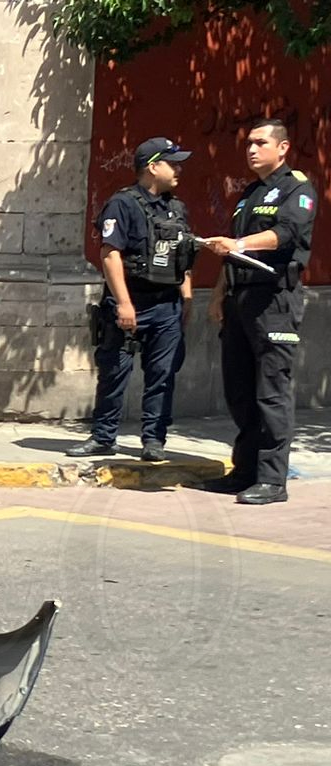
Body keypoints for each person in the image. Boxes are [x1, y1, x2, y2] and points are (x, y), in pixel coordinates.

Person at [198, 118, 318, 504]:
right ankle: (245, 470)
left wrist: (240, 242)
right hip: (239, 299)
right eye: (248, 143)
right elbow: (232, 253)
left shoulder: (297, 190)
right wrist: (219, 294)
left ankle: (272, 479)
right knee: (239, 391)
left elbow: (285, 235)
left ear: (282, 148)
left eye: (260, 143)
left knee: (271, 392)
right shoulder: (249, 194)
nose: (251, 149)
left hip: (273, 301)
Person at [66, 137, 195, 463]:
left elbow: (183, 255)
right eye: (172, 162)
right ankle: (103, 437)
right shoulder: (121, 205)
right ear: (153, 167)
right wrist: (124, 304)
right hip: (130, 302)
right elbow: (110, 255)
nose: (178, 168)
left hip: (167, 304)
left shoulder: (175, 207)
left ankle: (154, 441)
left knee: (162, 376)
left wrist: (187, 297)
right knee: (114, 372)